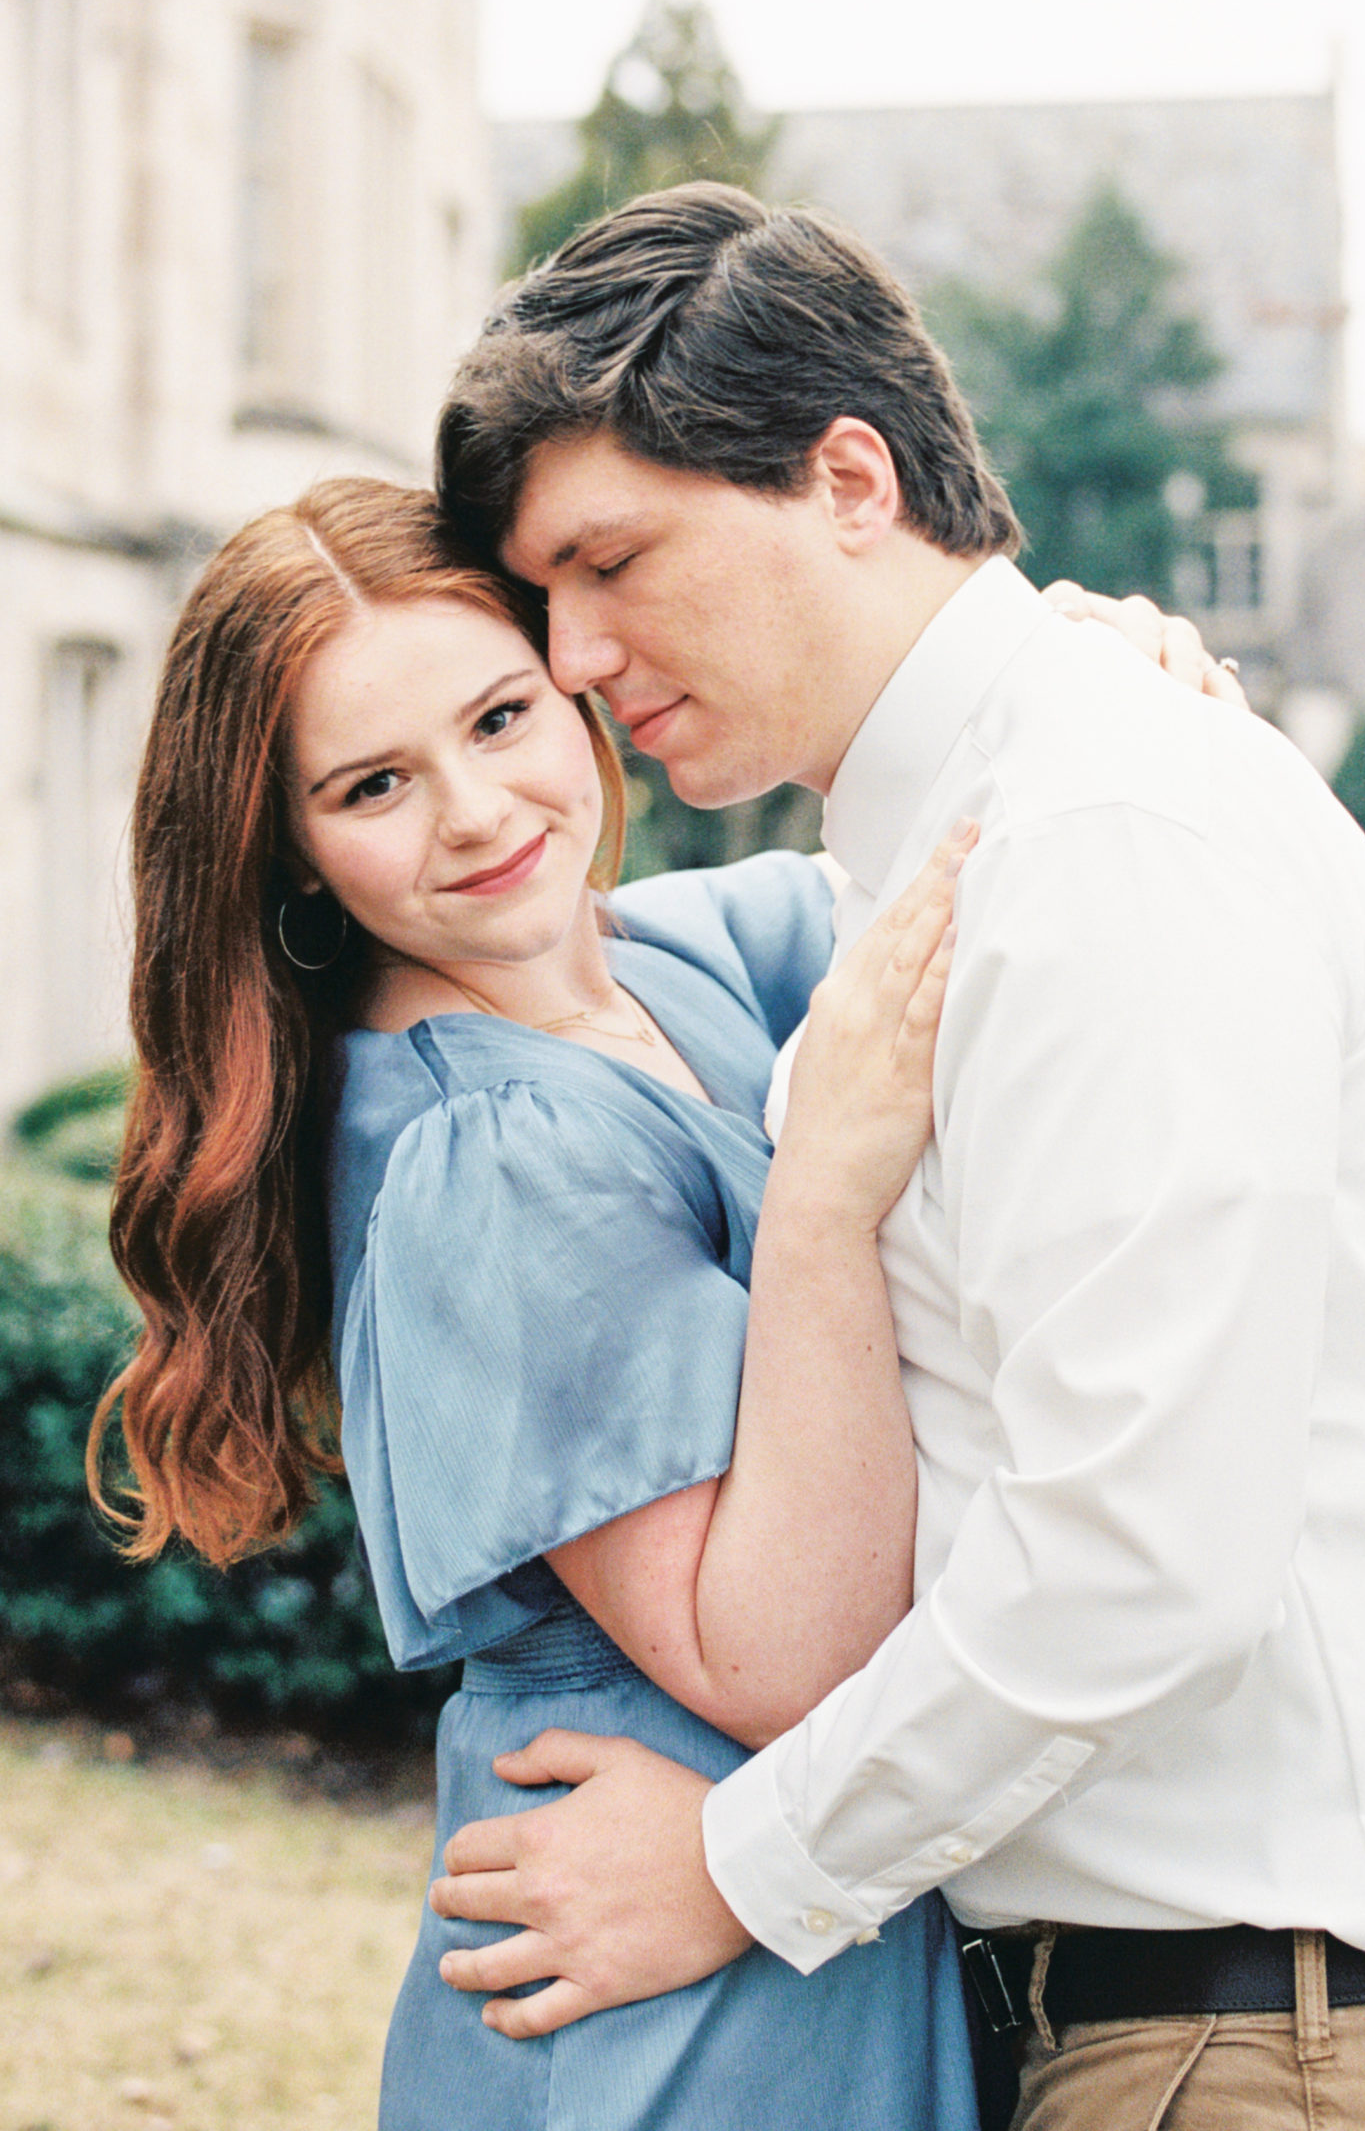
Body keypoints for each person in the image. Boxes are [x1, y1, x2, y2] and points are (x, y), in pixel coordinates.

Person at [425, 182, 1365, 2131]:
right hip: (1245, 2024)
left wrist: (735, 1864)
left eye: (610, 560)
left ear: (849, 474)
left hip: (1337, 2047)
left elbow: (1134, 1555)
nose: (577, 651)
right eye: (543, 599)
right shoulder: (952, 840)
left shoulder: (1105, 837)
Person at [92, 477, 985, 2131]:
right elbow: (779, 1660)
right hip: (669, 1982)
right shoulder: (485, 1159)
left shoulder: (653, 962)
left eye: (501, 716)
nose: (476, 810)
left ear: (571, 679)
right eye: (372, 785)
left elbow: (938, 847)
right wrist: (821, 1199)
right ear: (286, 851)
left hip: (791, 1907)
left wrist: (1074, 679)